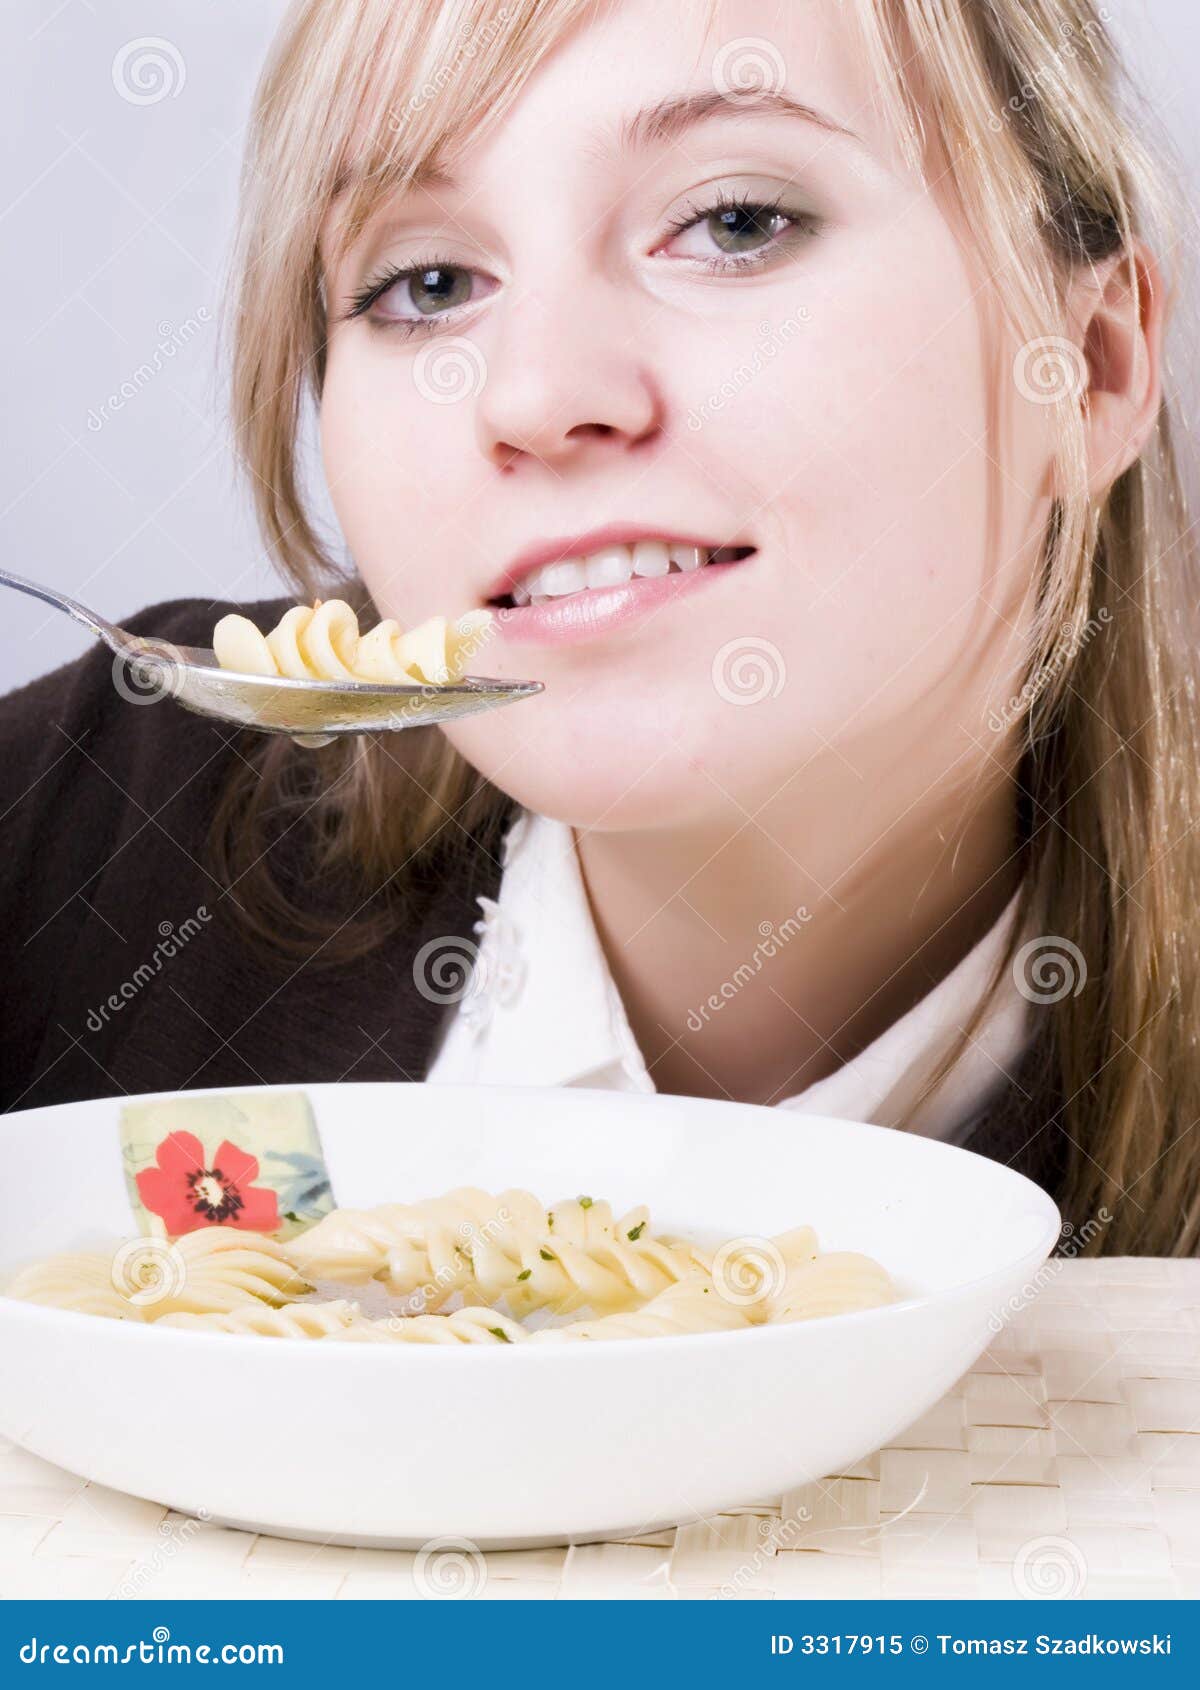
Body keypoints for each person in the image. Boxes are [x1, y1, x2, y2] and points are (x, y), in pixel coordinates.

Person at [2, 0, 1197, 1256]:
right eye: (428, 284)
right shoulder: (101, 817)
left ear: (1090, 366)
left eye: (736, 223)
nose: (534, 394)